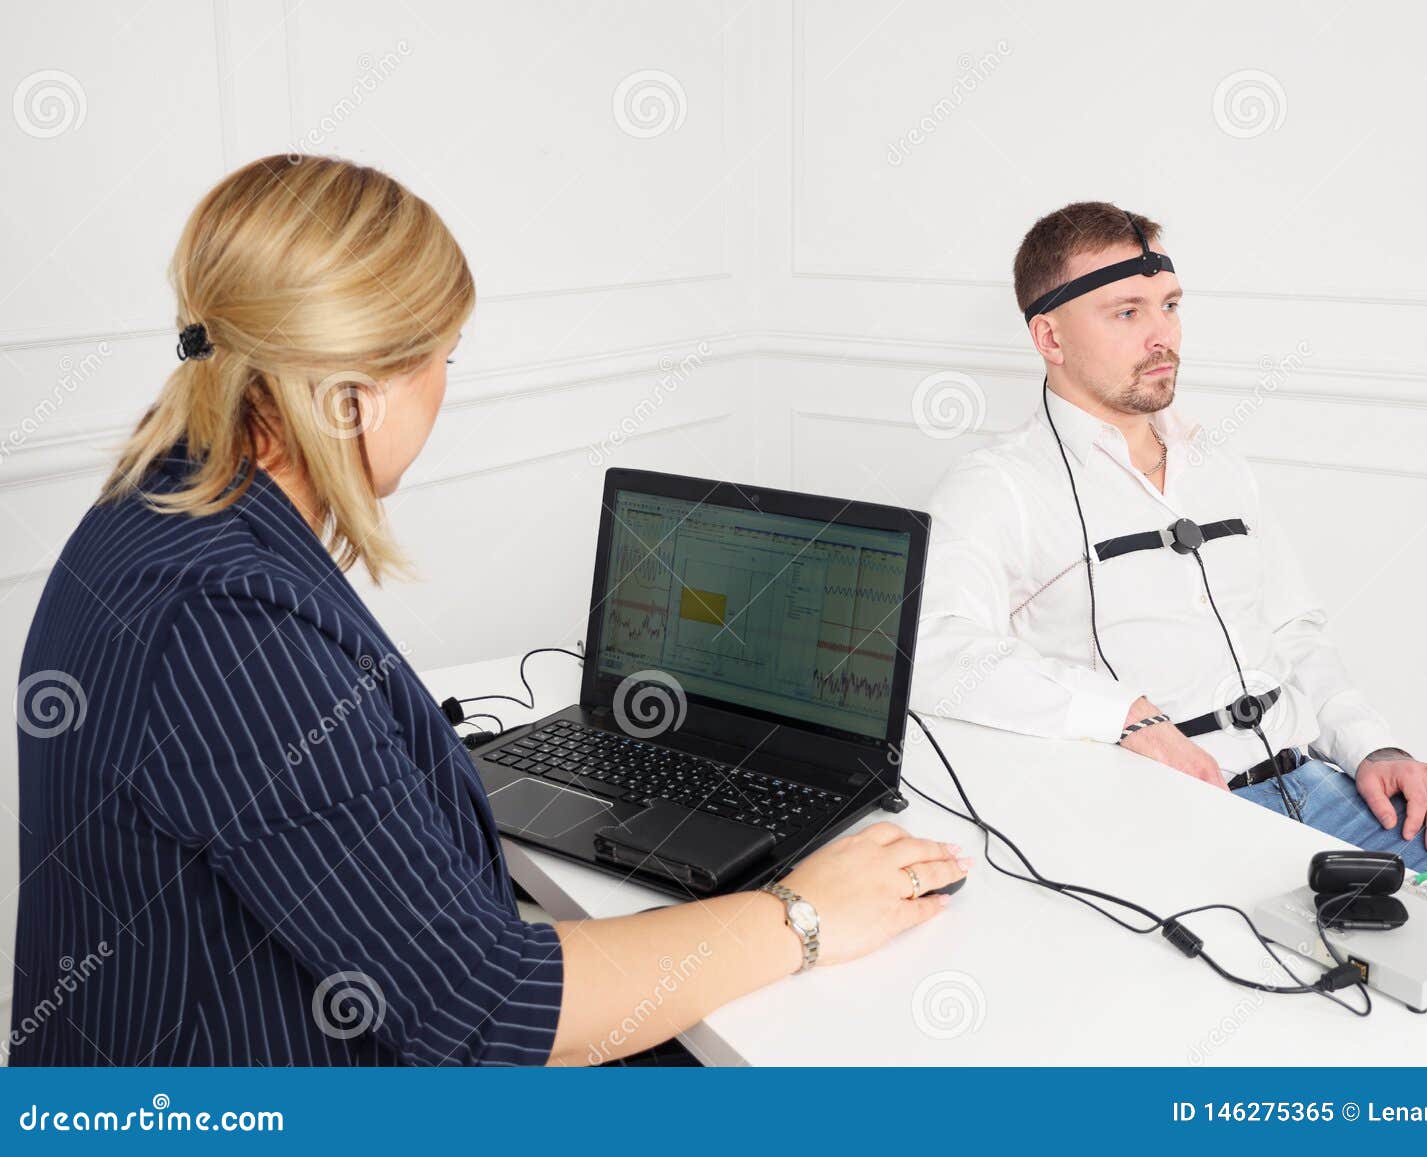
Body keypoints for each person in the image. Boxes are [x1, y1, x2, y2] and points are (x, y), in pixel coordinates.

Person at [8, 155, 969, 1066]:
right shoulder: (222, 622)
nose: (443, 390)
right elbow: (481, 1010)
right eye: (443, 358)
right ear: (354, 388)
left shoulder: (164, 506)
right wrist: (802, 914)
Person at [911, 200, 1427, 949]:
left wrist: (1375, 748)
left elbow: (1294, 632)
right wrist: (1124, 715)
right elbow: (934, 651)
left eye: (1170, 306)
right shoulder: (1000, 487)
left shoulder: (1220, 467)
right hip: (1181, 826)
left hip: (1326, 790)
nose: (1161, 335)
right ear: (1050, 336)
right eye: (1126, 312)